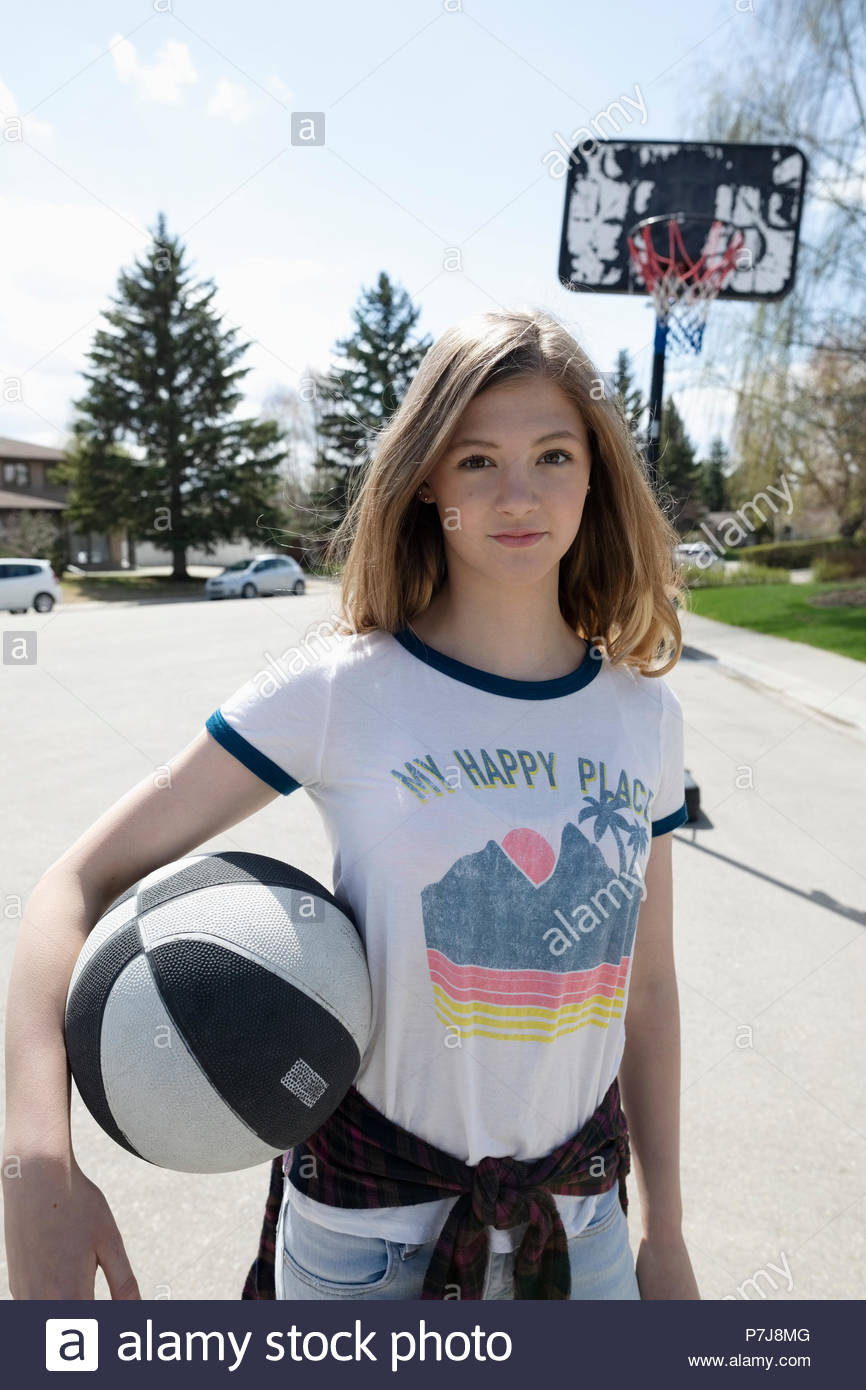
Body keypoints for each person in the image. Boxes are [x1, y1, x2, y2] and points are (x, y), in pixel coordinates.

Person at [3, 307, 700, 1301]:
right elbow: (71, 883)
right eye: (474, 461)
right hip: (366, 1246)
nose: (518, 492)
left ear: (594, 474)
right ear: (425, 481)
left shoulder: (644, 716)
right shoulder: (339, 691)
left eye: (552, 454)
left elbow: (650, 991)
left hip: (580, 1233)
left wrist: (661, 1234)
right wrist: (34, 1167)